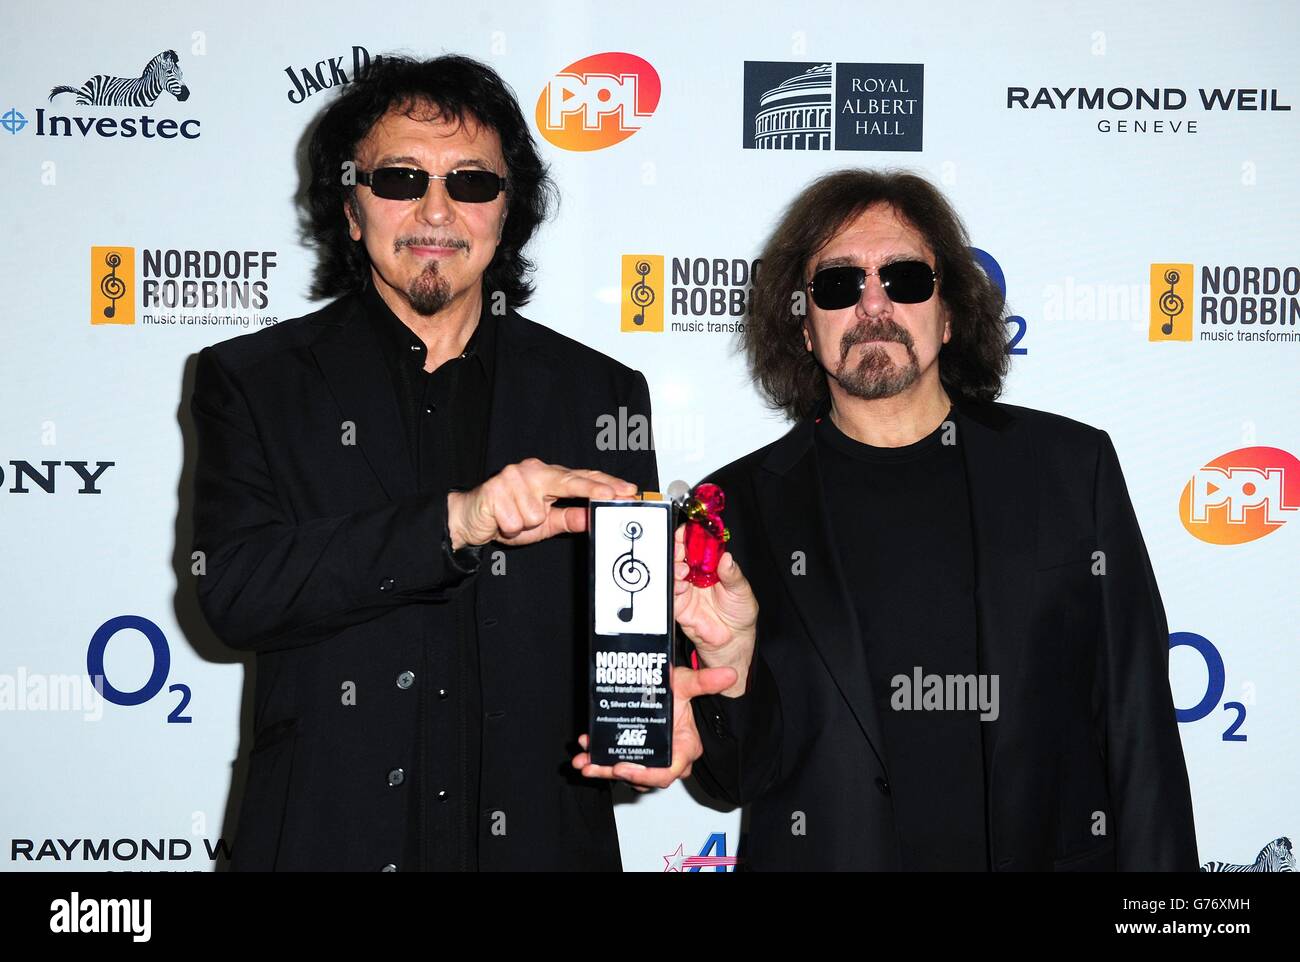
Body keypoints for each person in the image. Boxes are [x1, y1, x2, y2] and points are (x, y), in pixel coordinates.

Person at [576, 169, 1199, 872]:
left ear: (951, 312)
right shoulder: (731, 508)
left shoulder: (1069, 469)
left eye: (904, 278)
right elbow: (730, 782)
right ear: (804, 327)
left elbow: (1138, 730)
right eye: (838, 285)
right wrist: (731, 665)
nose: (873, 304)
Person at [190, 54, 679, 871]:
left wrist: (667, 702)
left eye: (472, 183)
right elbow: (235, 592)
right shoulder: (254, 382)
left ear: (506, 211)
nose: (435, 209)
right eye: (400, 178)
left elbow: (632, 632)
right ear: (351, 209)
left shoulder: (602, 389)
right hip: (325, 840)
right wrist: (458, 521)